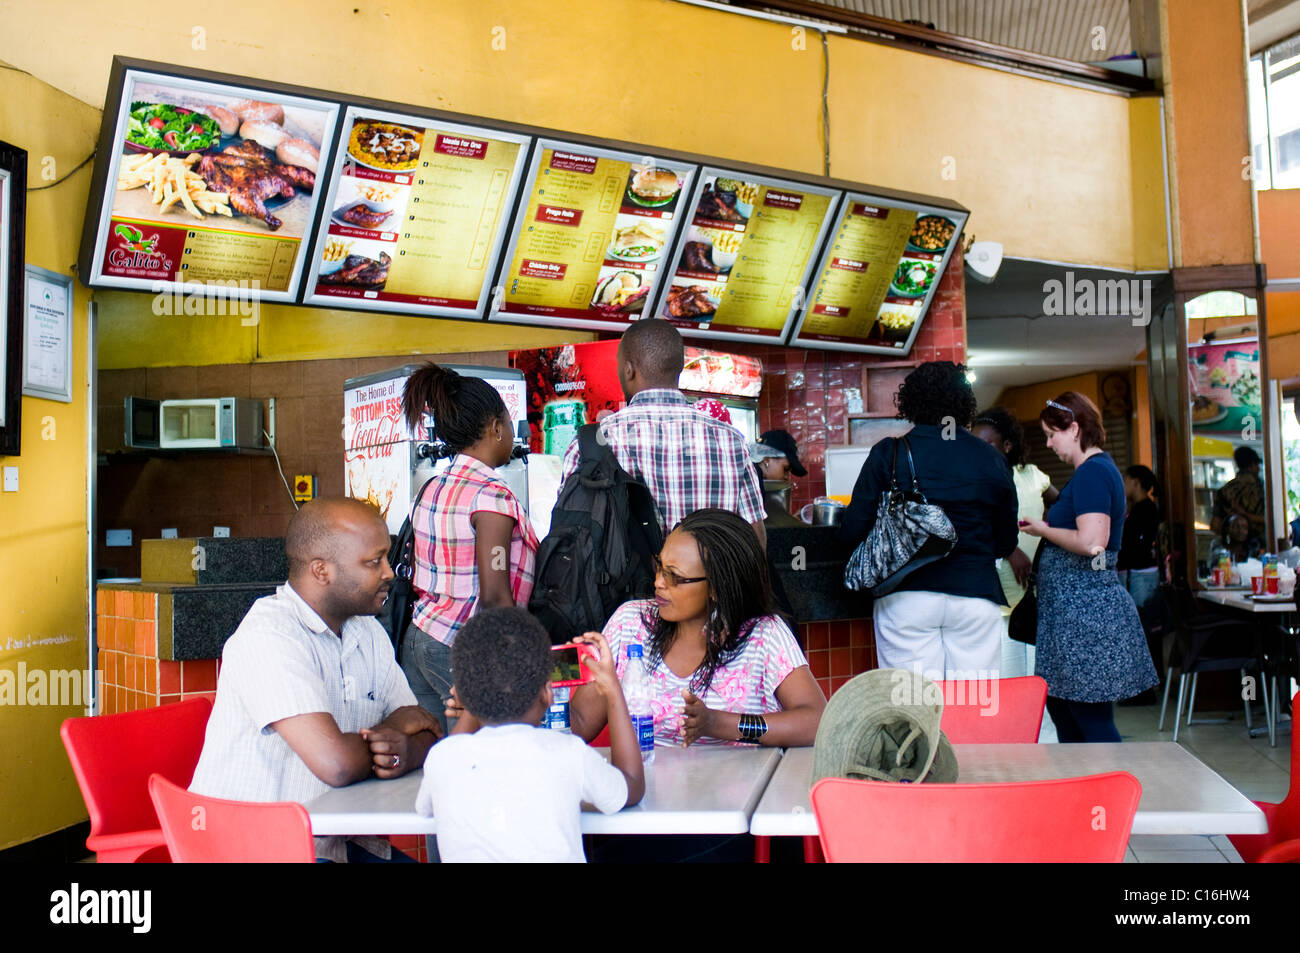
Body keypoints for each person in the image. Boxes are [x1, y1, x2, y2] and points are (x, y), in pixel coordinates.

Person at [189, 498, 442, 863]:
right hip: (258, 848)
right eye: (374, 562)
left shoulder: (368, 632)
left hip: (333, 844)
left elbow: (429, 732)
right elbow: (335, 764)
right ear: (321, 571)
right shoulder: (269, 635)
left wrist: (402, 745)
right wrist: (395, 733)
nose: (390, 572)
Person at [568, 508, 826, 749]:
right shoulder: (630, 623)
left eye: (674, 576)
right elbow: (579, 722)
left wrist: (717, 723)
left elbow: (817, 722)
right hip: (647, 790)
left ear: (716, 586)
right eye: (659, 567)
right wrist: (544, 694)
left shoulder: (763, 635)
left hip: (744, 791)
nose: (658, 582)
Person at [415, 608, 644, 862]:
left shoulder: (442, 758)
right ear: (547, 693)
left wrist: (473, 703)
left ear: (465, 696)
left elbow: (426, 808)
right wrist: (612, 689)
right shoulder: (568, 753)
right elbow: (631, 786)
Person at [840, 362, 1019, 680]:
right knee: (973, 708)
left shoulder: (889, 454)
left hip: (906, 598)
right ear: (965, 404)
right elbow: (1006, 541)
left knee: (915, 711)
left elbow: (853, 530)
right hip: (976, 597)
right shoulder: (992, 459)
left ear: (911, 402)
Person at [400, 362, 538, 728]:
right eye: (509, 424)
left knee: (438, 759)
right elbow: (495, 598)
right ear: (496, 427)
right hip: (459, 647)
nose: (512, 433)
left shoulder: (432, 487)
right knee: (486, 752)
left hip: (419, 637)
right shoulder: (491, 495)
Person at [1020, 392, 1159, 742]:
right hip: (1072, 611)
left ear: (1075, 428)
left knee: (1089, 716)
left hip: (1085, 612)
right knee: (1065, 709)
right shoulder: (1091, 473)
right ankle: (1082, 791)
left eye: (1052, 434)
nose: (1049, 444)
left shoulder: (1094, 473)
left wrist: (1042, 529)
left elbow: (1092, 541)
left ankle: (1112, 793)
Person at [561, 319, 766, 548]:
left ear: (628, 370)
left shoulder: (592, 442)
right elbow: (754, 538)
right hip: (714, 583)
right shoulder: (732, 441)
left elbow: (569, 532)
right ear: (679, 369)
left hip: (623, 583)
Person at [971, 407, 1059, 679]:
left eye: (987, 445)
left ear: (1007, 446)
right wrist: (1010, 548)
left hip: (1033, 598)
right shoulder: (974, 481)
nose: (979, 451)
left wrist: (1051, 540)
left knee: (1037, 681)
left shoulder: (1031, 474)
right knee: (1008, 681)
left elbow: (1064, 506)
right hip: (996, 602)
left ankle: (1043, 725)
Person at [1118, 464, 1164, 705]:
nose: (1123, 485)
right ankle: (1143, 686)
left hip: (1140, 577)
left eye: (1125, 479)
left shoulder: (1145, 509)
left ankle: (1144, 689)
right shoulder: (1139, 509)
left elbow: (1135, 545)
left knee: (1139, 631)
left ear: (1135, 482)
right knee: (1139, 631)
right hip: (1137, 575)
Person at [1212, 446, 1266, 561]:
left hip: (1230, 550)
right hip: (1259, 547)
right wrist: (1247, 516)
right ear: (1252, 465)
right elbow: (1271, 521)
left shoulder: (1224, 490)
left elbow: (1215, 525)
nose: (1258, 469)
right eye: (1257, 465)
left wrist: (1231, 524)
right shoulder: (1264, 490)